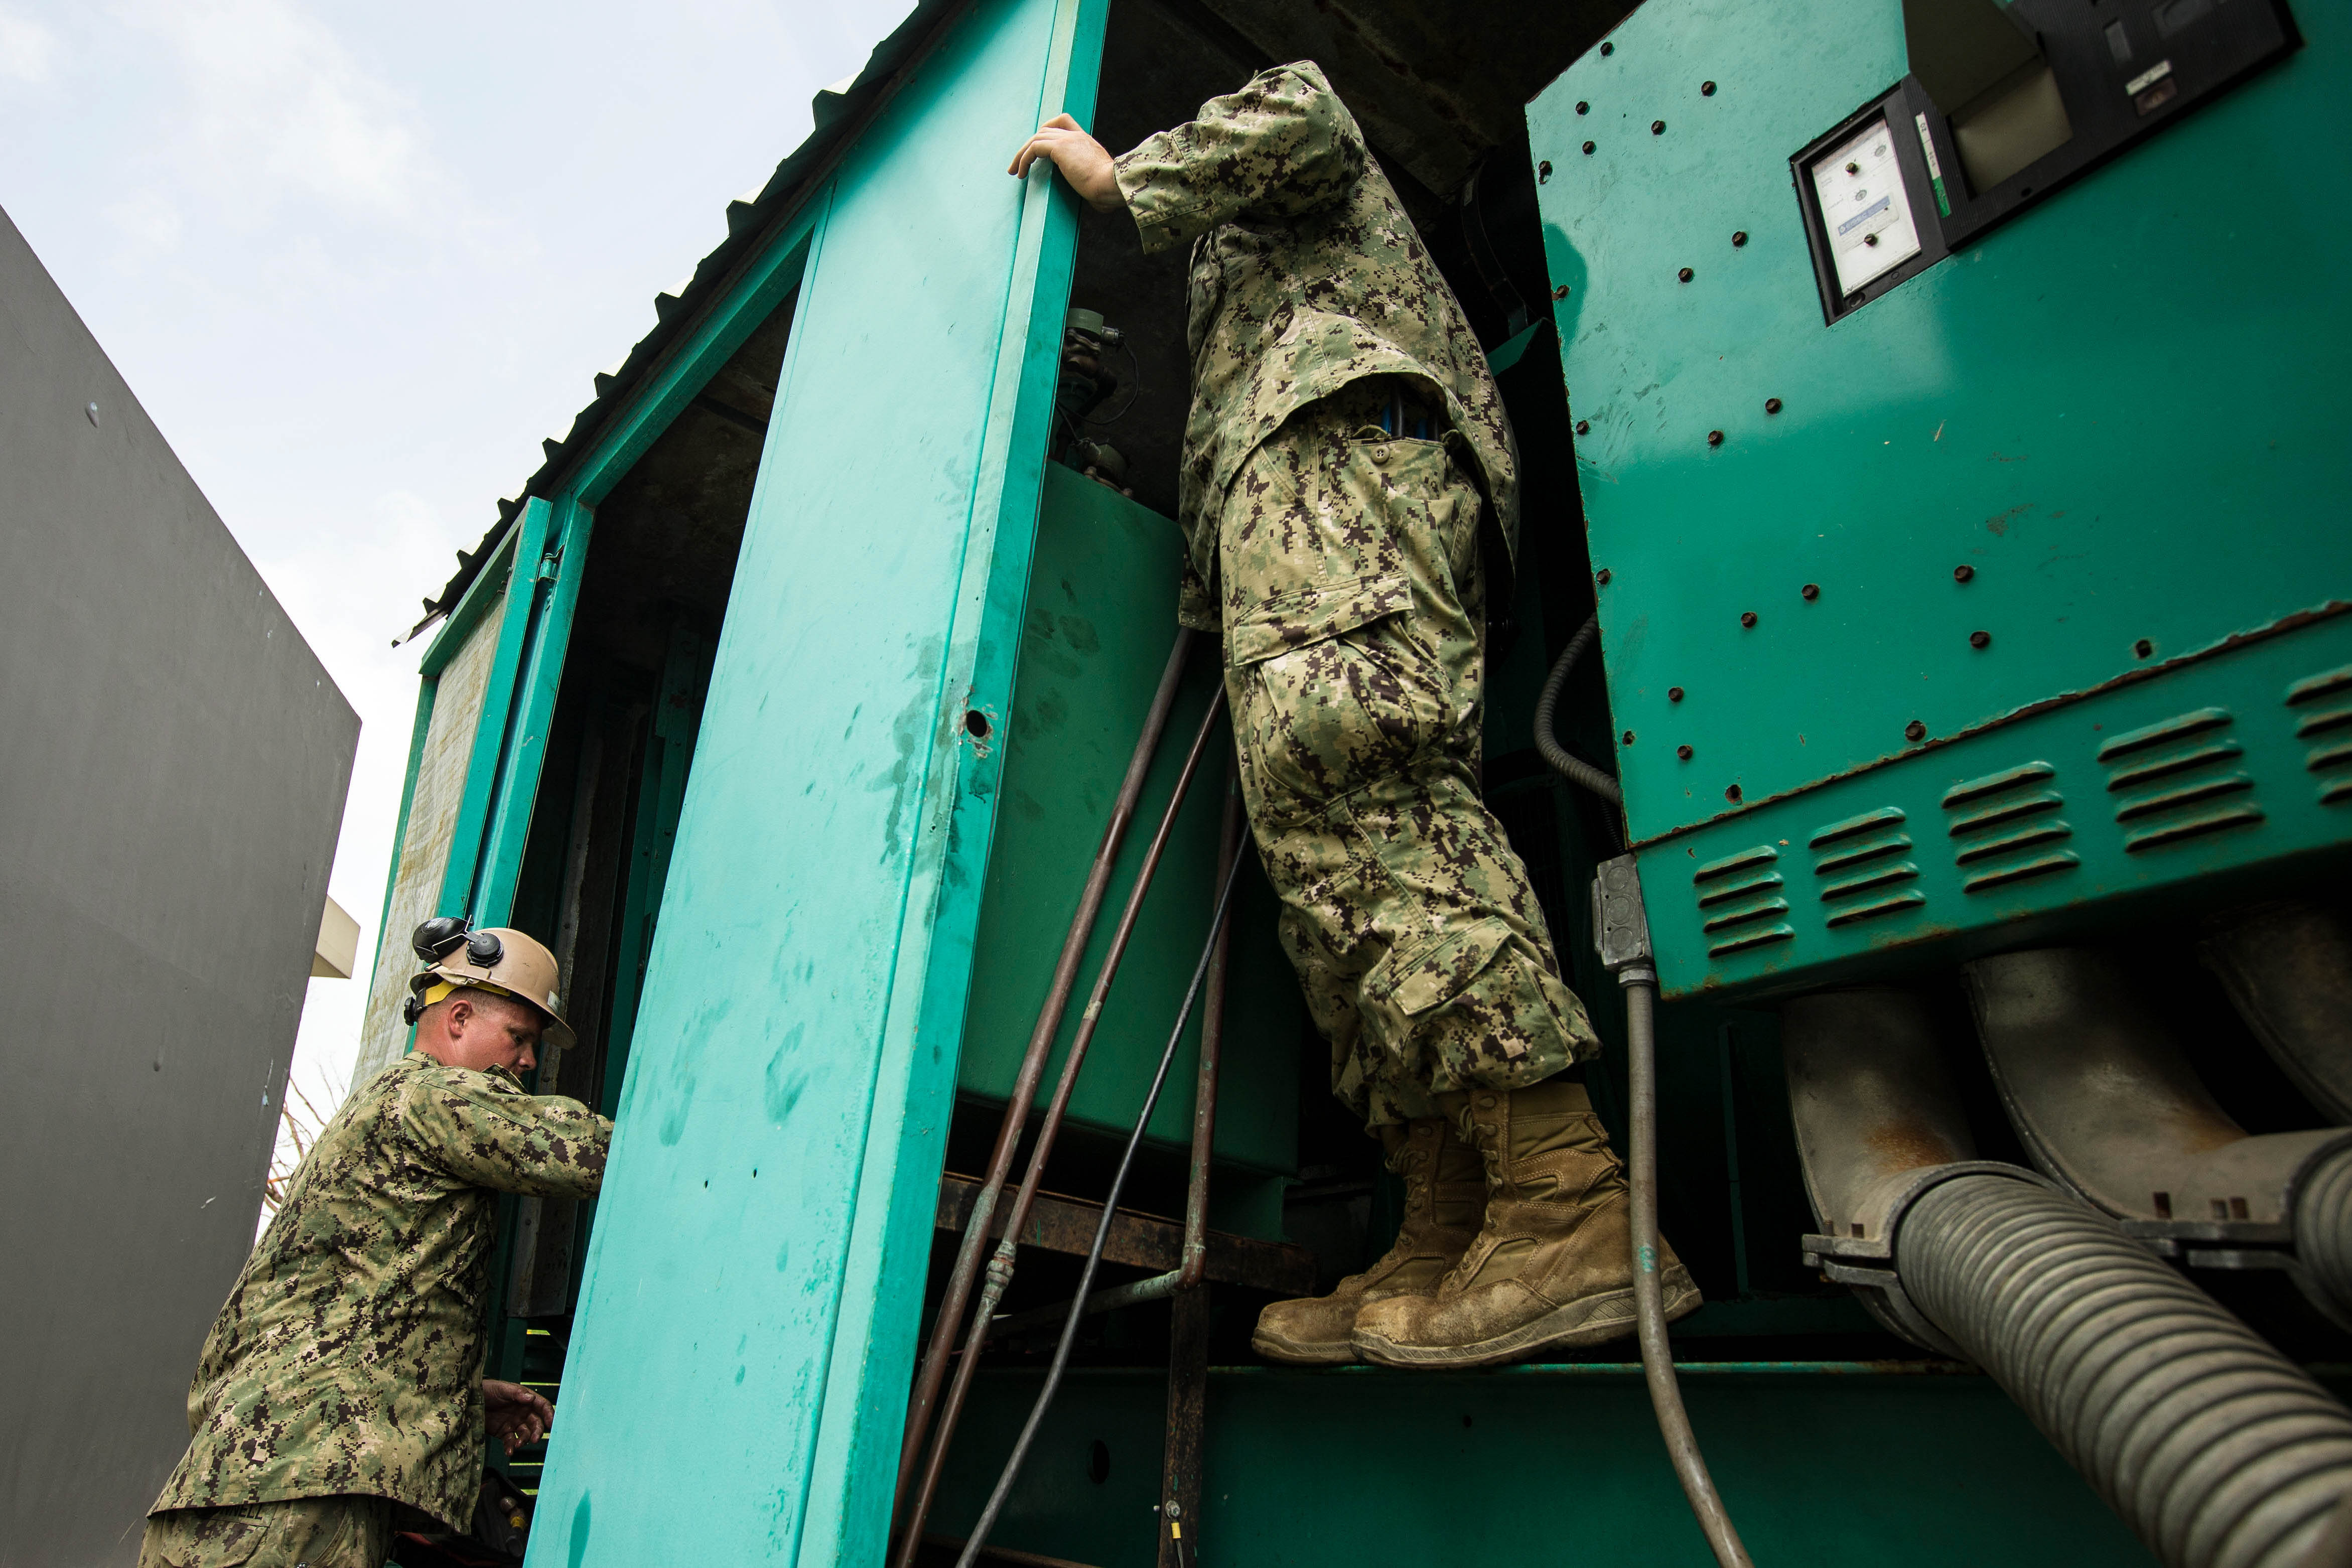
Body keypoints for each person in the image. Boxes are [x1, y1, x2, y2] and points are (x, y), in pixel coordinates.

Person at [1009, 62, 1700, 1369]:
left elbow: (1310, 107)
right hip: (1293, 525)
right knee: (1327, 888)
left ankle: (1565, 1200)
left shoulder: (1283, 159)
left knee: (1367, 800)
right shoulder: (1250, 277)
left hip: (1343, 474)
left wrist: (1128, 176)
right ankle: (1447, 1217)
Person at [139, 925, 614, 1567]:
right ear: (460, 1016)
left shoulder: (382, 1107)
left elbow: (345, 1318)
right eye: (520, 1036)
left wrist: (460, 1400)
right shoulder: (434, 1097)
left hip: (258, 1488)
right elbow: (598, 1153)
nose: (529, 1061)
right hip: (297, 1499)